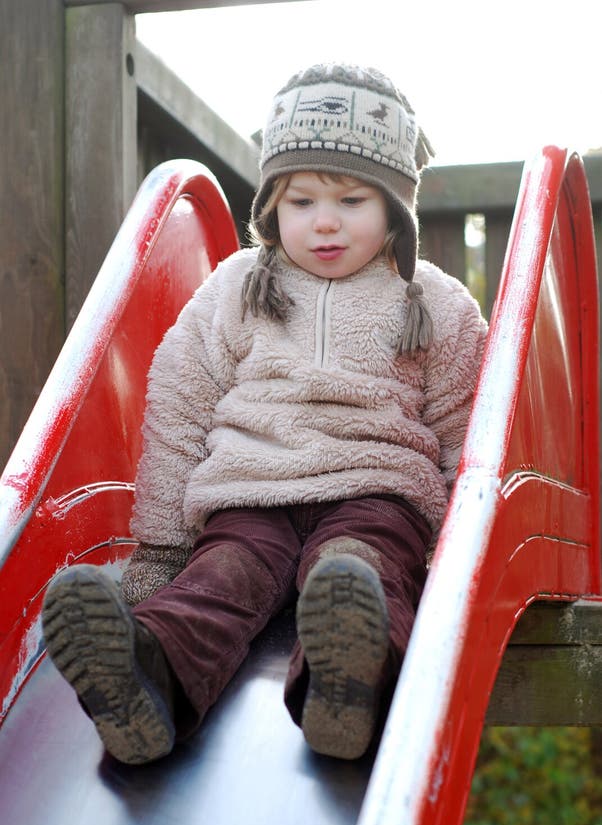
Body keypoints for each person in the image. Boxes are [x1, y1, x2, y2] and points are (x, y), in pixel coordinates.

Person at [41, 62, 488, 766]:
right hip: (249, 494)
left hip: (376, 494)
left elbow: (466, 425)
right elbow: (180, 407)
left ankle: (346, 685)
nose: (326, 220)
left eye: (352, 199)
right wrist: (160, 552)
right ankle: (143, 678)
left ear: (397, 209)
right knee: (218, 583)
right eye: (301, 200)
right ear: (271, 206)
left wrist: (460, 553)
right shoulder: (238, 289)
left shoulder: (431, 303)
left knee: (358, 572)